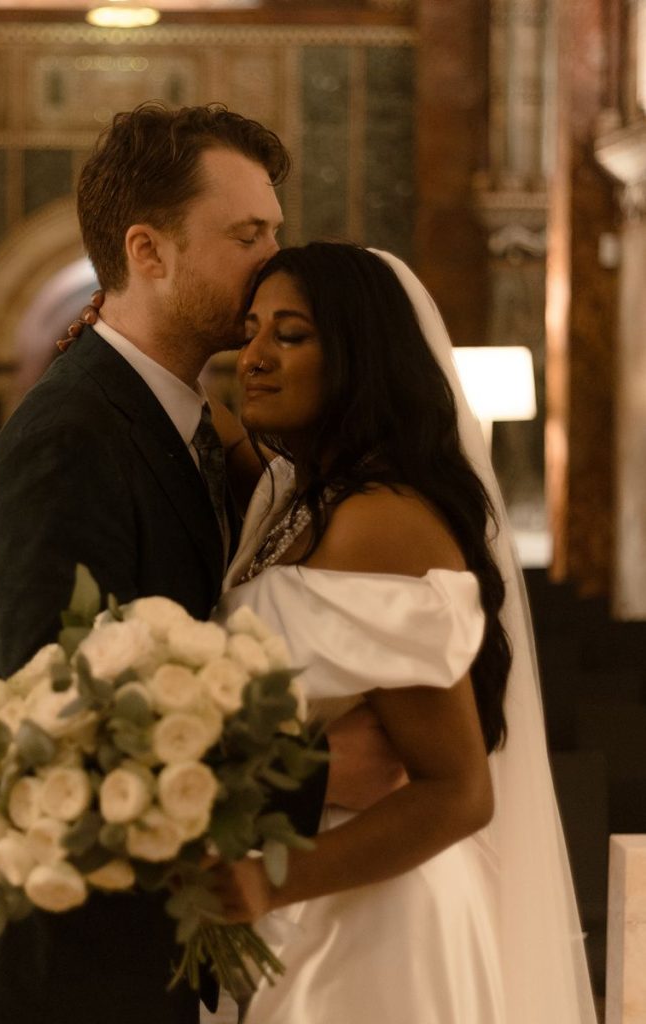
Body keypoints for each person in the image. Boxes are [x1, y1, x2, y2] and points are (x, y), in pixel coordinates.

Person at [0, 102, 304, 1024]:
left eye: (275, 234)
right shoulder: (70, 438)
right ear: (149, 252)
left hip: (137, 943)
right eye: (247, 236)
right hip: (59, 964)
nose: (274, 264)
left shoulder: (182, 425)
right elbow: (59, 713)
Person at [208, 242, 598, 1024]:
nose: (251, 357)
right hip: (316, 901)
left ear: (359, 356)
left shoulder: (380, 520)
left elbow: (458, 793)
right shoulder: (304, 502)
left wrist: (269, 882)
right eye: (249, 331)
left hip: (376, 917)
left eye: (289, 336)